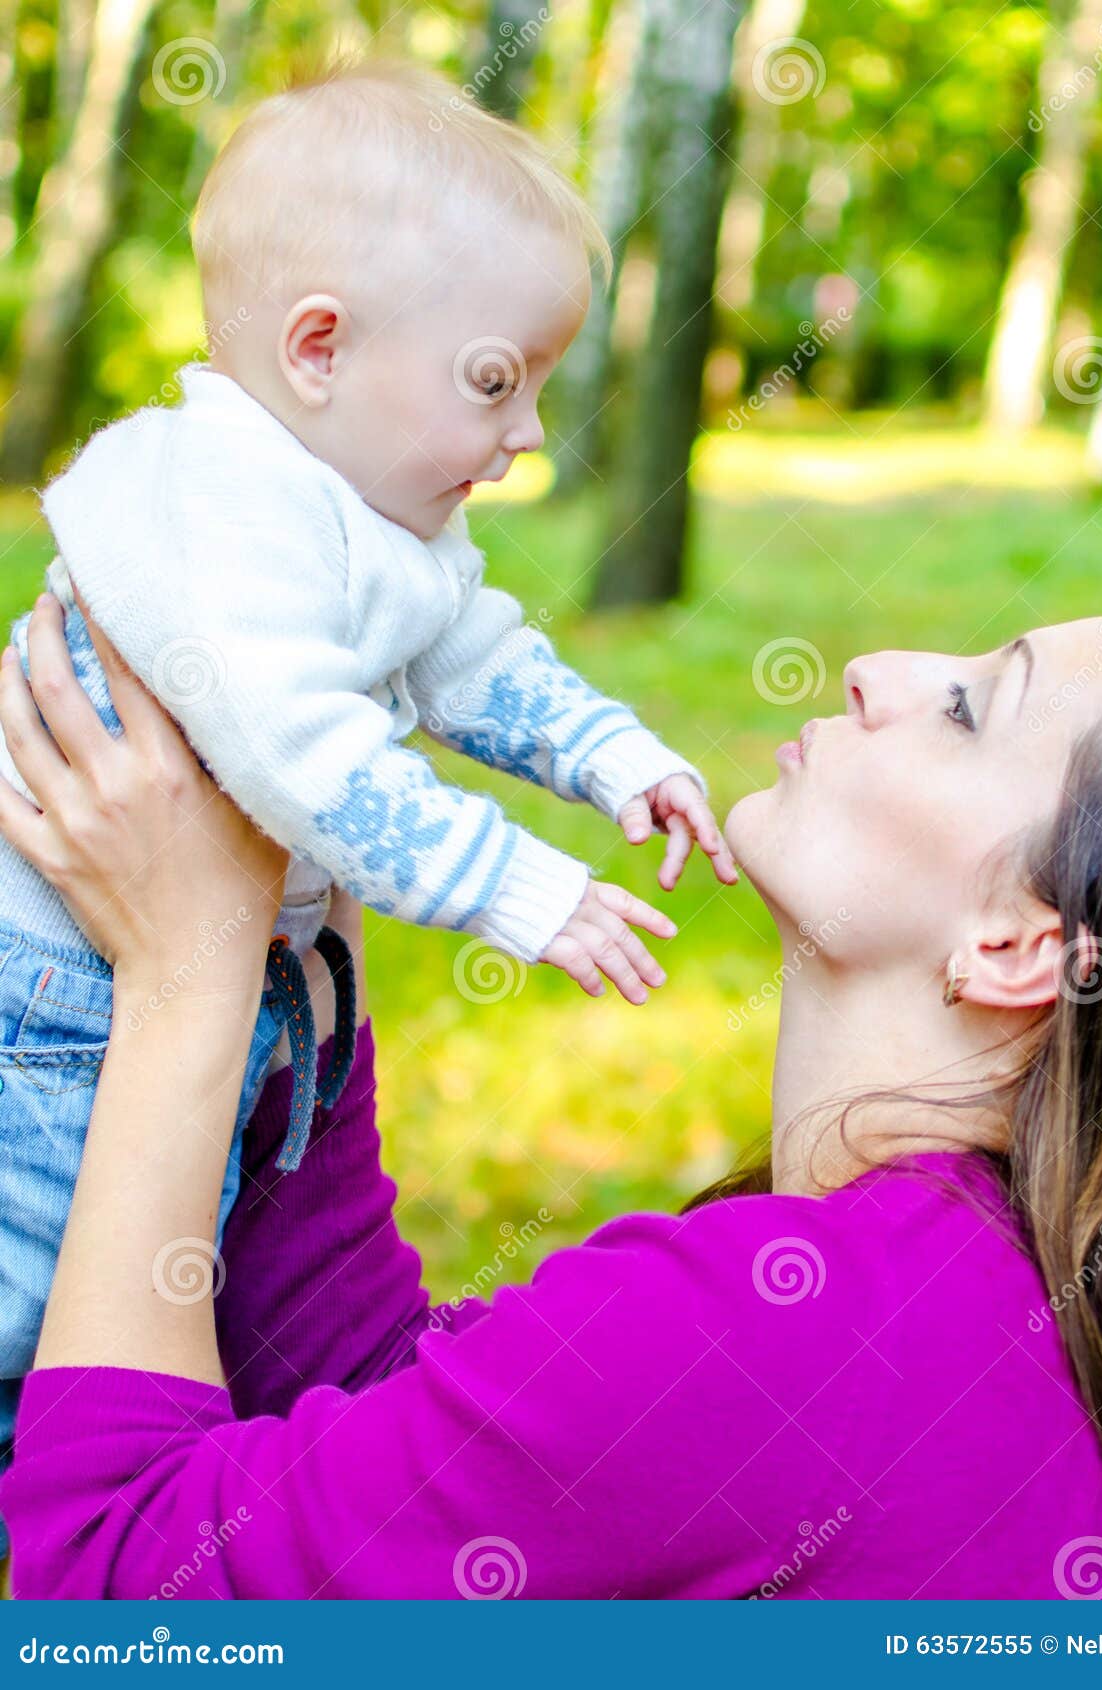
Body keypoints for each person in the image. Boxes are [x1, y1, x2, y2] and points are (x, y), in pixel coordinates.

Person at [1, 593, 1102, 1599]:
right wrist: (306, 884)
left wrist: (184, 978)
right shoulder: (972, 1301)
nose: (874, 669)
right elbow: (399, 1440)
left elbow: (124, 1591)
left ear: (1018, 944)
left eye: (964, 708)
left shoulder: (802, 1334)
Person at [0, 58, 736, 1550]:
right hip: (49, 1017)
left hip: (184, 993)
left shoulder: (366, 511)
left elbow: (476, 660)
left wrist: (616, 758)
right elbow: (297, 754)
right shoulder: (222, 505)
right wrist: (516, 889)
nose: (527, 431)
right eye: (493, 381)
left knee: (162, 1285)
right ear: (318, 346)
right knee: (31, 1309)